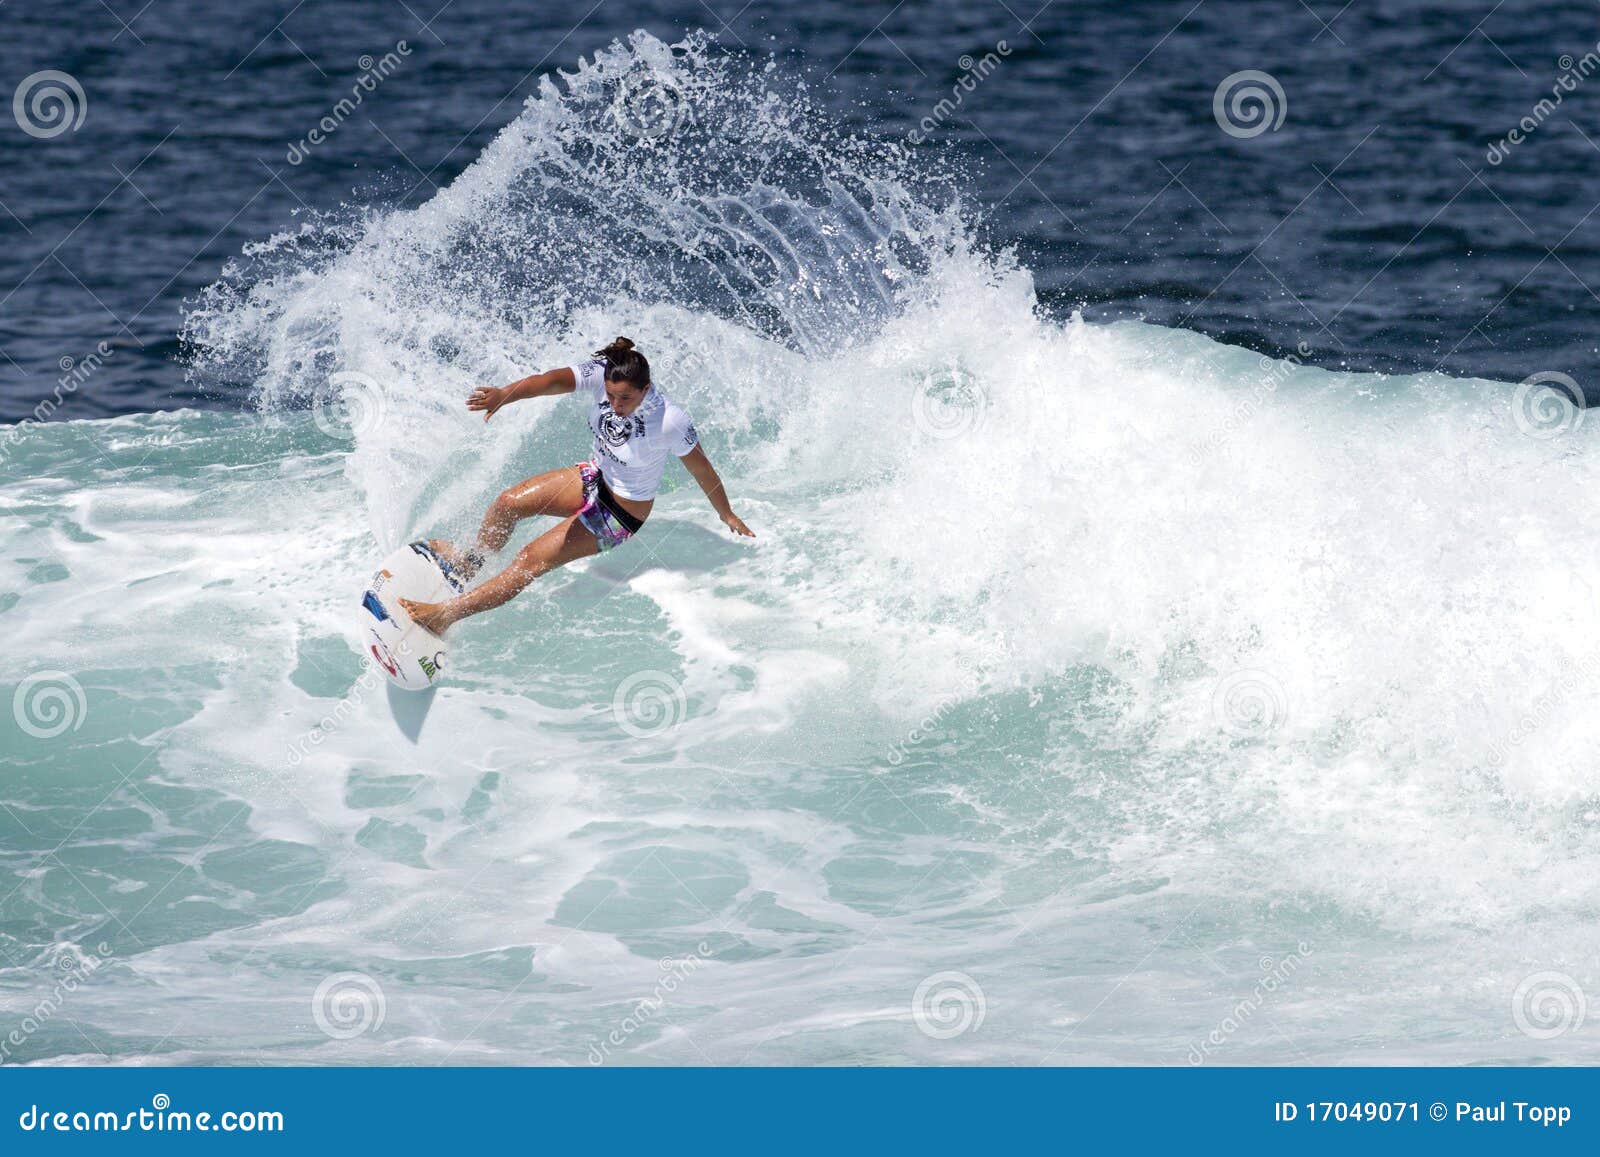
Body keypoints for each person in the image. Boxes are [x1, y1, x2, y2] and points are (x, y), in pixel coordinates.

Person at [398, 337, 753, 634]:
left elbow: (702, 470)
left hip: (620, 513)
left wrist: (727, 513)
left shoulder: (670, 421)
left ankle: (444, 616)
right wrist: (506, 394)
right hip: (594, 479)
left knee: (529, 560)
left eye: (625, 399)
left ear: (646, 389)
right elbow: (550, 380)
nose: (615, 405)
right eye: (611, 397)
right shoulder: (603, 375)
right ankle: (468, 567)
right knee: (508, 503)